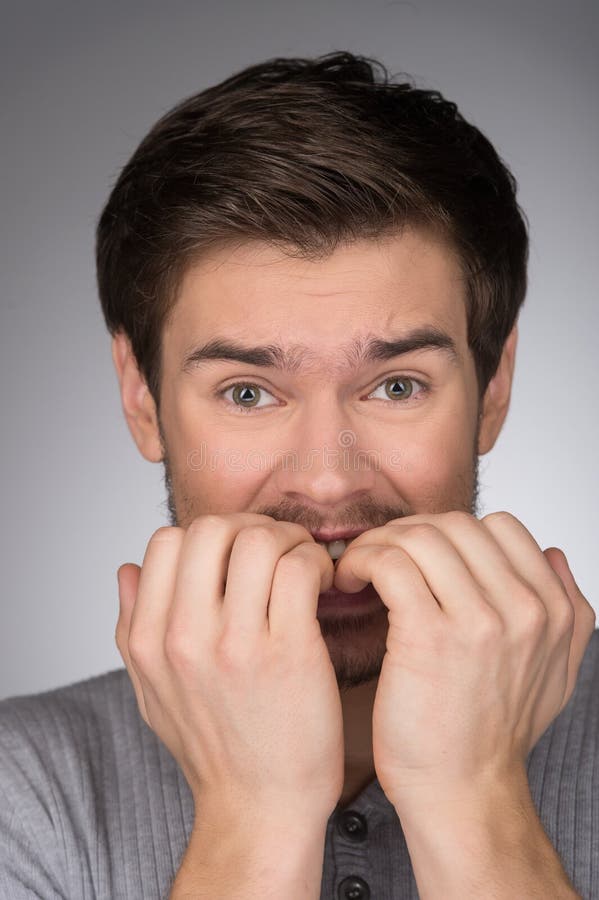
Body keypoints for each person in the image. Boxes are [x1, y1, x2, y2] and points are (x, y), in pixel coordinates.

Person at [0, 51, 596, 900]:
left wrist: (475, 802)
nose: (325, 484)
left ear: (492, 389)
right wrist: (252, 815)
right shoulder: (19, 794)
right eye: (248, 392)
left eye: (396, 386)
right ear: (141, 400)